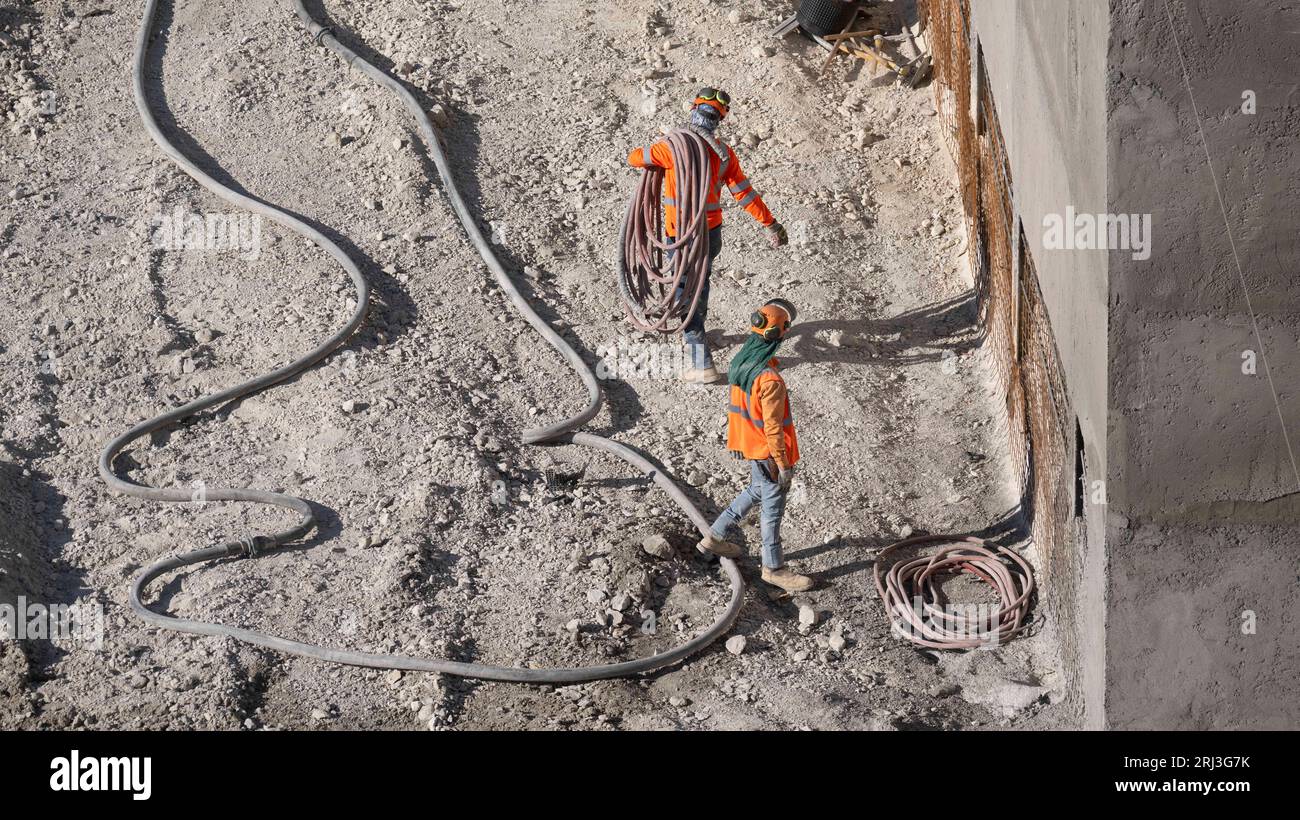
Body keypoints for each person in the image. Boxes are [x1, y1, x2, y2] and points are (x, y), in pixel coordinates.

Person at [627, 87, 788, 384]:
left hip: (684, 238)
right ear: (720, 119)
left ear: (693, 109)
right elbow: (745, 194)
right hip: (711, 235)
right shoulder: (723, 154)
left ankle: (701, 362)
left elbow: (635, 158)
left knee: (683, 292)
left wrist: (663, 143)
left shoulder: (671, 148)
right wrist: (771, 224)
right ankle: (697, 328)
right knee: (699, 285)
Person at [696, 299, 813, 592]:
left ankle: (715, 536)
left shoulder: (741, 364)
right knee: (772, 510)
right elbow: (773, 428)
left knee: (754, 491)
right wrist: (783, 465)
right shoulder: (769, 380)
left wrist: (736, 441)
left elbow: (737, 409)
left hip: (752, 449)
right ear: (780, 334)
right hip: (769, 455)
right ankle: (773, 568)